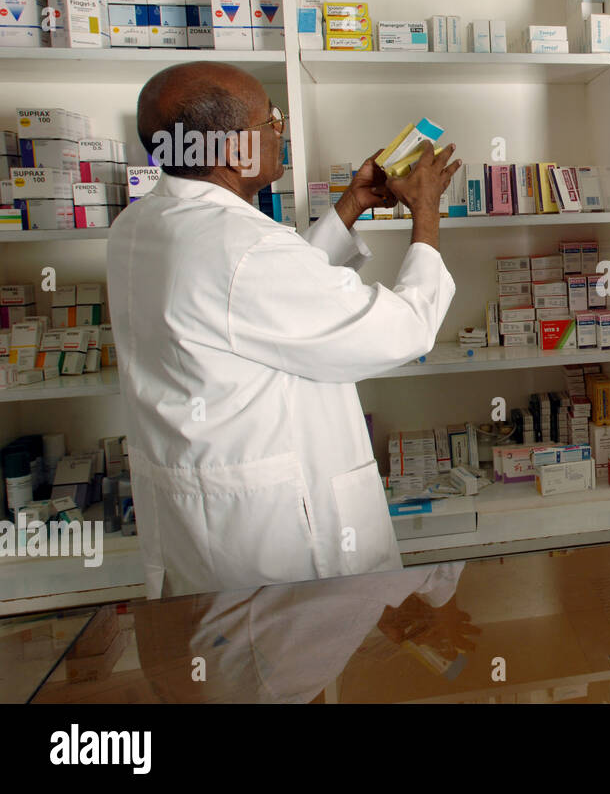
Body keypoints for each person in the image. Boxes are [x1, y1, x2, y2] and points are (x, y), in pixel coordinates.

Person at [107, 62, 461, 599]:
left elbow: (259, 304)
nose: (281, 128)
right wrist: (427, 215)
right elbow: (405, 330)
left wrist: (352, 205)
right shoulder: (239, 246)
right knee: (283, 675)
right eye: (271, 118)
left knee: (222, 671)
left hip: (207, 527)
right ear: (231, 150)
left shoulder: (140, 224)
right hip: (278, 548)